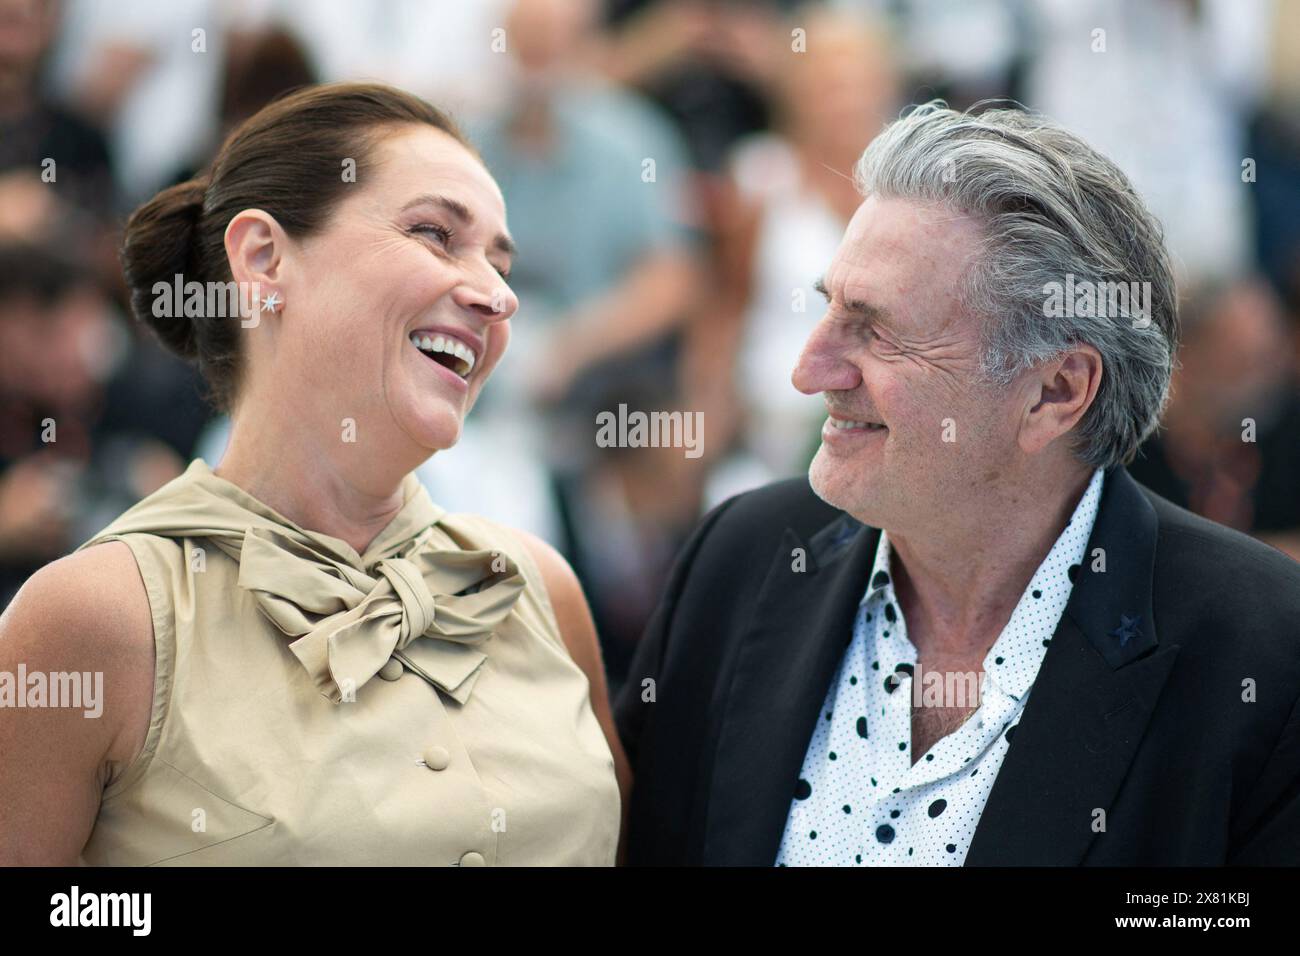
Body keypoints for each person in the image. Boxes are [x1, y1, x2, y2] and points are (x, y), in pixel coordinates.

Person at [615, 103, 1300, 866]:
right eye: (828, 307)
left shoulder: (1263, 655)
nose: (809, 370)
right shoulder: (741, 560)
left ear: (1055, 392)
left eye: (876, 330)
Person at [0, 82, 627, 865]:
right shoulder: (94, 620)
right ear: (263, 257)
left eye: (501, 265)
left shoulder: (537, 586)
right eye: (436, 234)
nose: (498, 296)